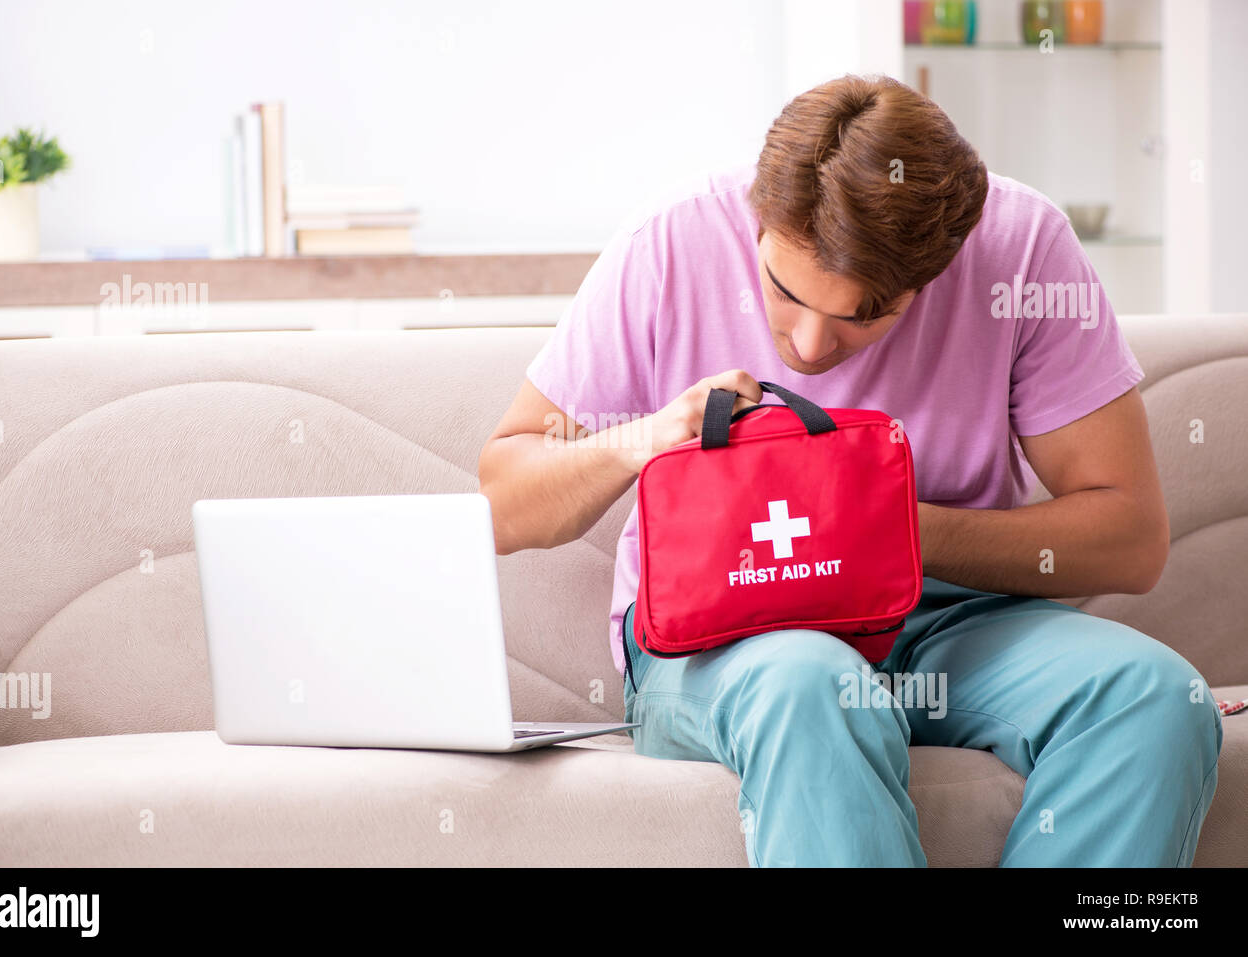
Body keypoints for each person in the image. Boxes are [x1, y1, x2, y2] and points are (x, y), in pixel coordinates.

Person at [477, 74, 1222, 867]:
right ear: (757, 217)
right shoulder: (669, 242)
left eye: (865, 315)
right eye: (784, 292)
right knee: (814, 683)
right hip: (724, 637)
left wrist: (876, 530)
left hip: (949, 623)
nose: (806, 347)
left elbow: (1129, 539)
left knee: (1152, 699)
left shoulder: (1020, 250)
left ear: (938, 271)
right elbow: (504, 498)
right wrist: (648, 438)